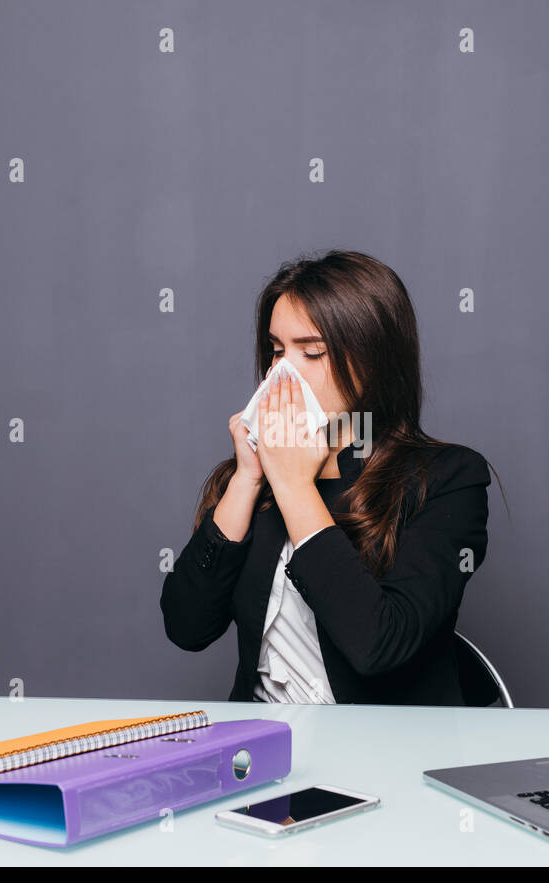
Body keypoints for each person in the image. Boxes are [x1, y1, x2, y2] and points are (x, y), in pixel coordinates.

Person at [159, 250, 499, 705]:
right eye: (277, 350)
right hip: (265, 753)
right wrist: (247, 477)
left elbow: (378, 644)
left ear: (373, 359)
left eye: (312, 351)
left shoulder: (447, 479)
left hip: (386, 760)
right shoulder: (249, 481)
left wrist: (296, 488)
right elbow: (186, 626)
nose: (284, 371)